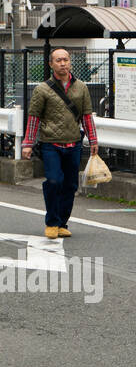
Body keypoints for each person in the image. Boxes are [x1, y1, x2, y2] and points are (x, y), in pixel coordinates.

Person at [22, 47, 98, 239]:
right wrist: (28, 143)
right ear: (51, 64)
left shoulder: (81, 87)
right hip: (50, 143)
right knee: (54, 180)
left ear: (70, 62)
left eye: (65, 59)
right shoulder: (42, 89)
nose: (62, 63)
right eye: (58, 60)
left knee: (71, 185)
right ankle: (52, 222)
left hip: (74, 143)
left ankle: (62, 223)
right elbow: (34, 118)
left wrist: (93, 139)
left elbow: (87, 116)